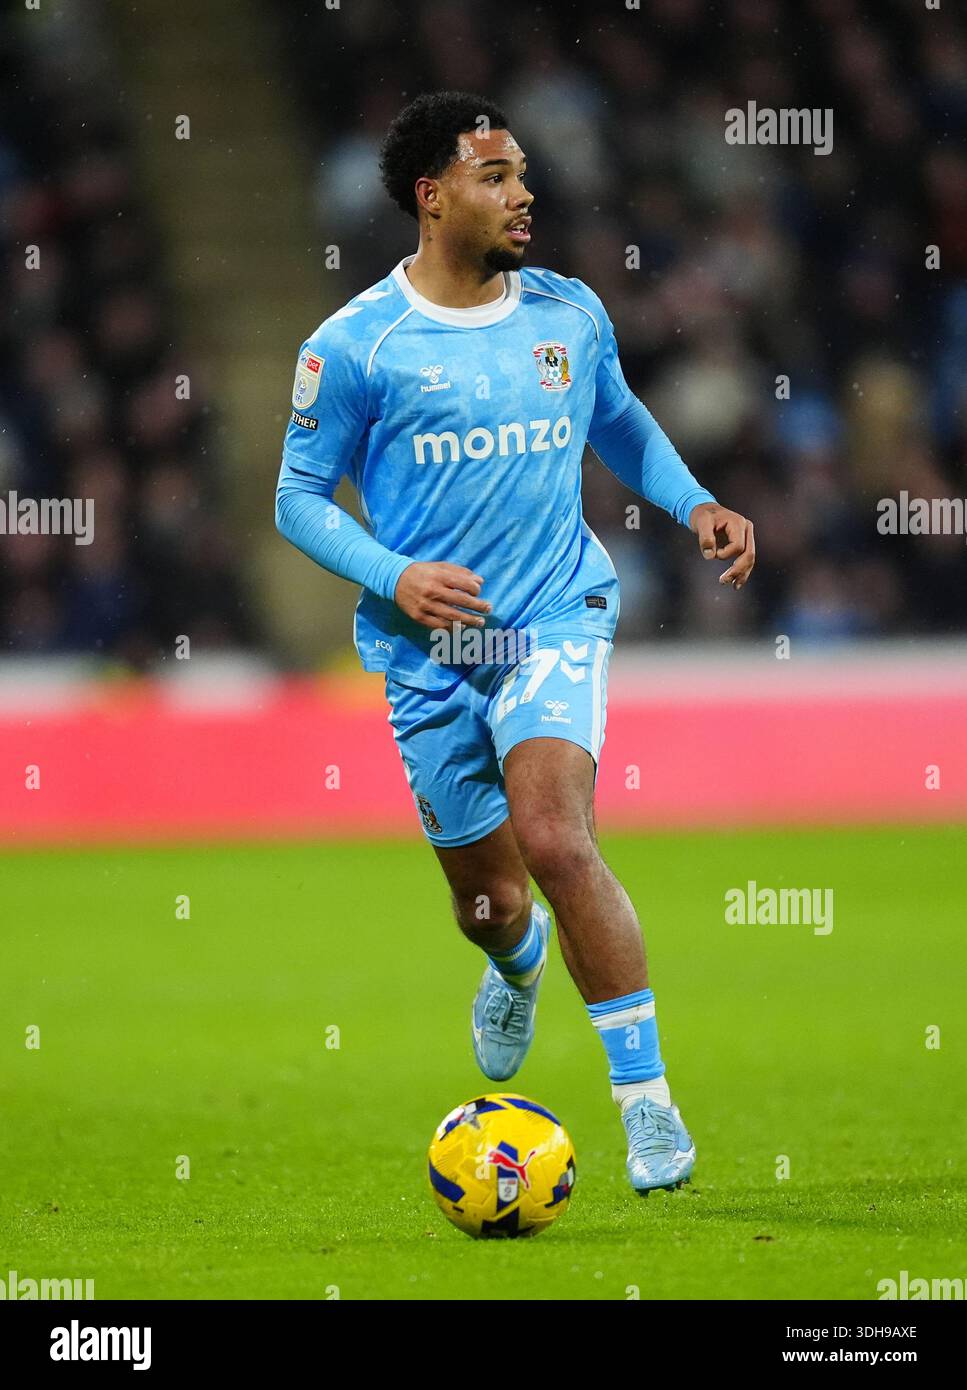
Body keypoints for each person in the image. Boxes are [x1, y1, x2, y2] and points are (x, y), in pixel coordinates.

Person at [276, 91, 755, 1194]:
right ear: (430, 196)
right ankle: (518, 959)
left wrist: (694, 503)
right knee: (488, 900)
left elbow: (618, 421)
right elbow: (297, 499)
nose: (523, 192)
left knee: (552, 834)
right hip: (425, 650)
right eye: (495, 176)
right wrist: (391, 573)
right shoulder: (354, 347)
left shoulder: (566, 313)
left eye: (523, 172)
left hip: (552, 612)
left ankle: (646, 1106)